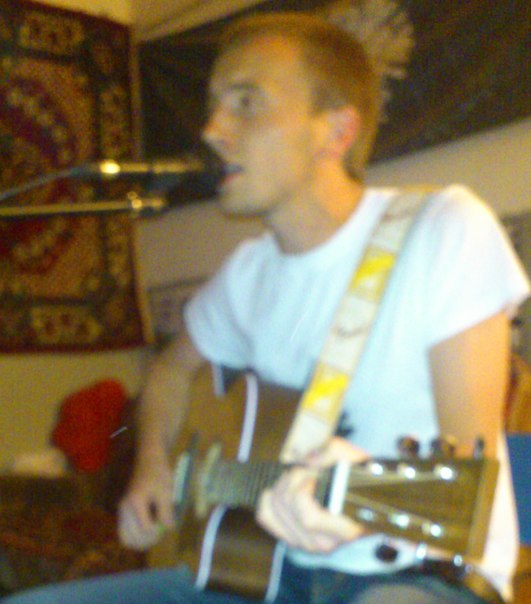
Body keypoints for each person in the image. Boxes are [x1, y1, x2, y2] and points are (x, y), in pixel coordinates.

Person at [4, 11, 529, 604]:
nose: (211, 131)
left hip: (423, 570)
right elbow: (170, 371)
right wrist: (152, 465)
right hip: (262, 570)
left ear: (336, 132)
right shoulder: (246, 274)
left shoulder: (441, 228)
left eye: (246, 103)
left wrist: (356, 511)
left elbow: (466, 479)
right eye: (213, 106)